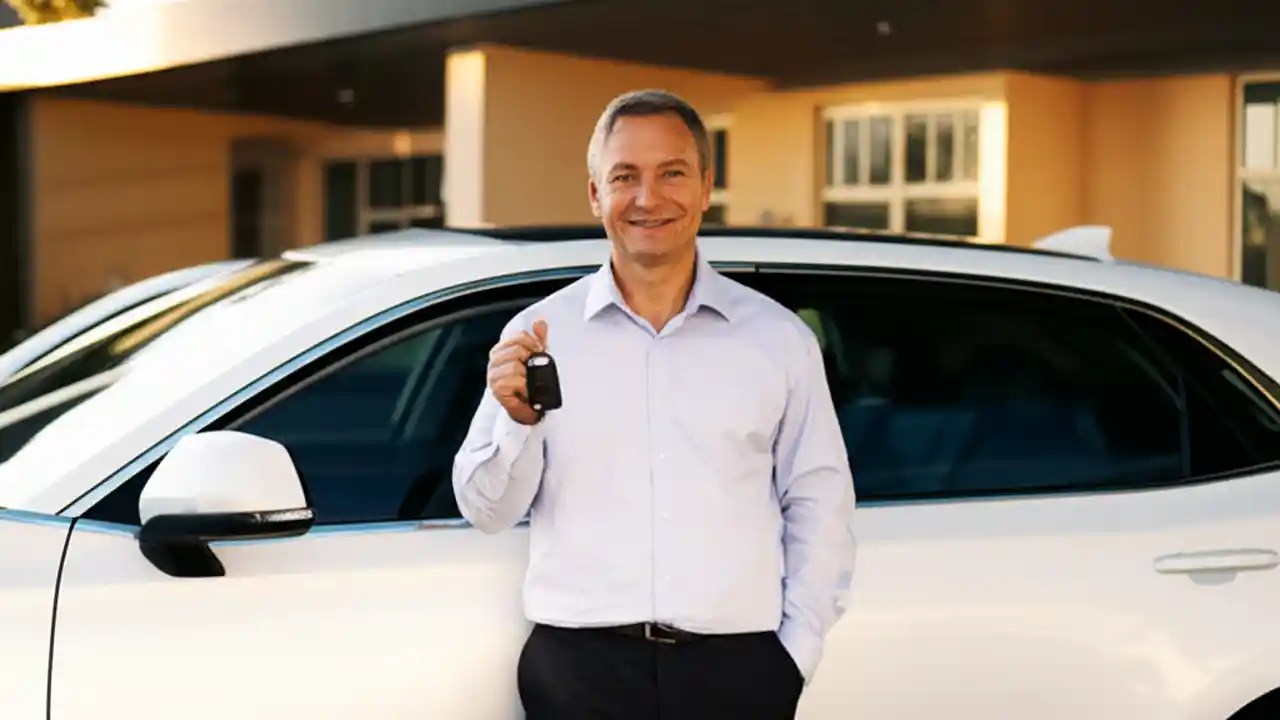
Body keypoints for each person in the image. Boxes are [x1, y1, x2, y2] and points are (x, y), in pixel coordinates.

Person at [452, 88, 857, 718]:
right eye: (624, 177)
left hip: (738, 671)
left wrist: (791, 656)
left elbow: (820, 503)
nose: (648, 198)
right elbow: (486, 510)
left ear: (705, 186)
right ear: (595, 194)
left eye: (672, 173)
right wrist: (516, 422)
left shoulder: (777, 340)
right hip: (578, 673)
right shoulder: (536, 336)